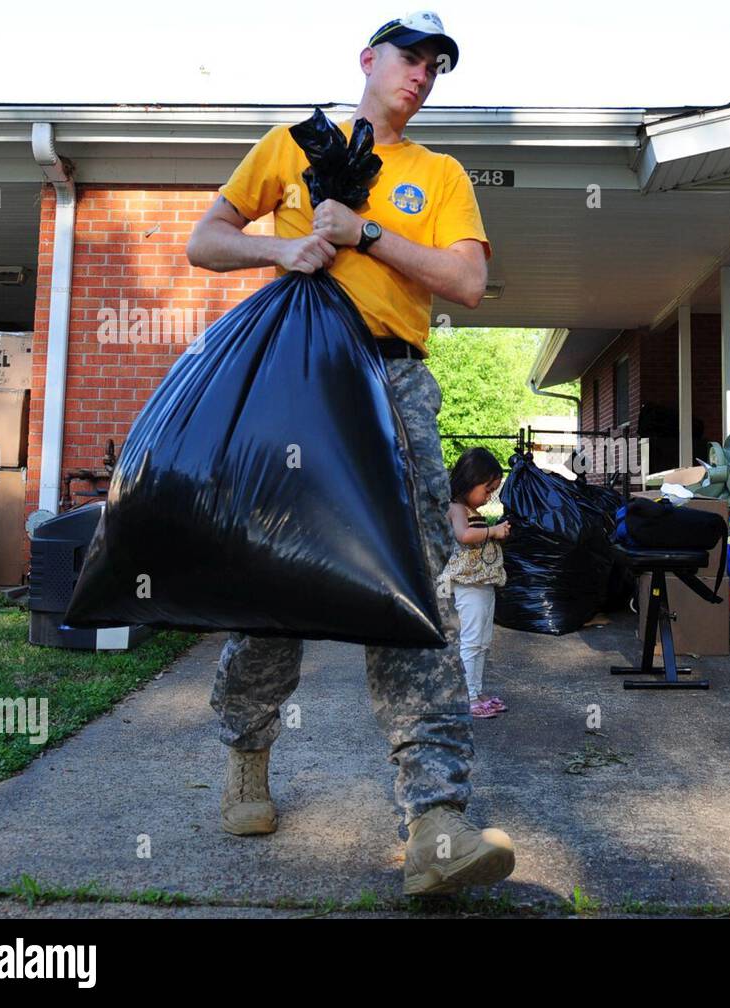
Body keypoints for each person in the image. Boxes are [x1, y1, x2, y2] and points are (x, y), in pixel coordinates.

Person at [186, 11, 515, 896]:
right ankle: (249, 752)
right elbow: (203, 239)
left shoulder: (439, 174)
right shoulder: (292, 142)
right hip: (297, 380)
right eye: (410, 56)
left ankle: (436, 820)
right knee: (277, 573)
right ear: (369, 58)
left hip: (396, 383)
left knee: (414, 583)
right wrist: (283, 247)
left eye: (436, 66)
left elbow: (469, 282)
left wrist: (366, 232)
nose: (422, 74)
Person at [437, 448, 510, 719]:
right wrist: (492, 530)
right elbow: (464, 535)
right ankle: (466, 696)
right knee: (471, 641)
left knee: (482, 641)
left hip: (484, 584)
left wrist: (496, 533)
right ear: (469, 480)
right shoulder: (455, 508)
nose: (489, 496)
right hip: (469, 585)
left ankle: (477, 692)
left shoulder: (471, 508)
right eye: (487, 489)